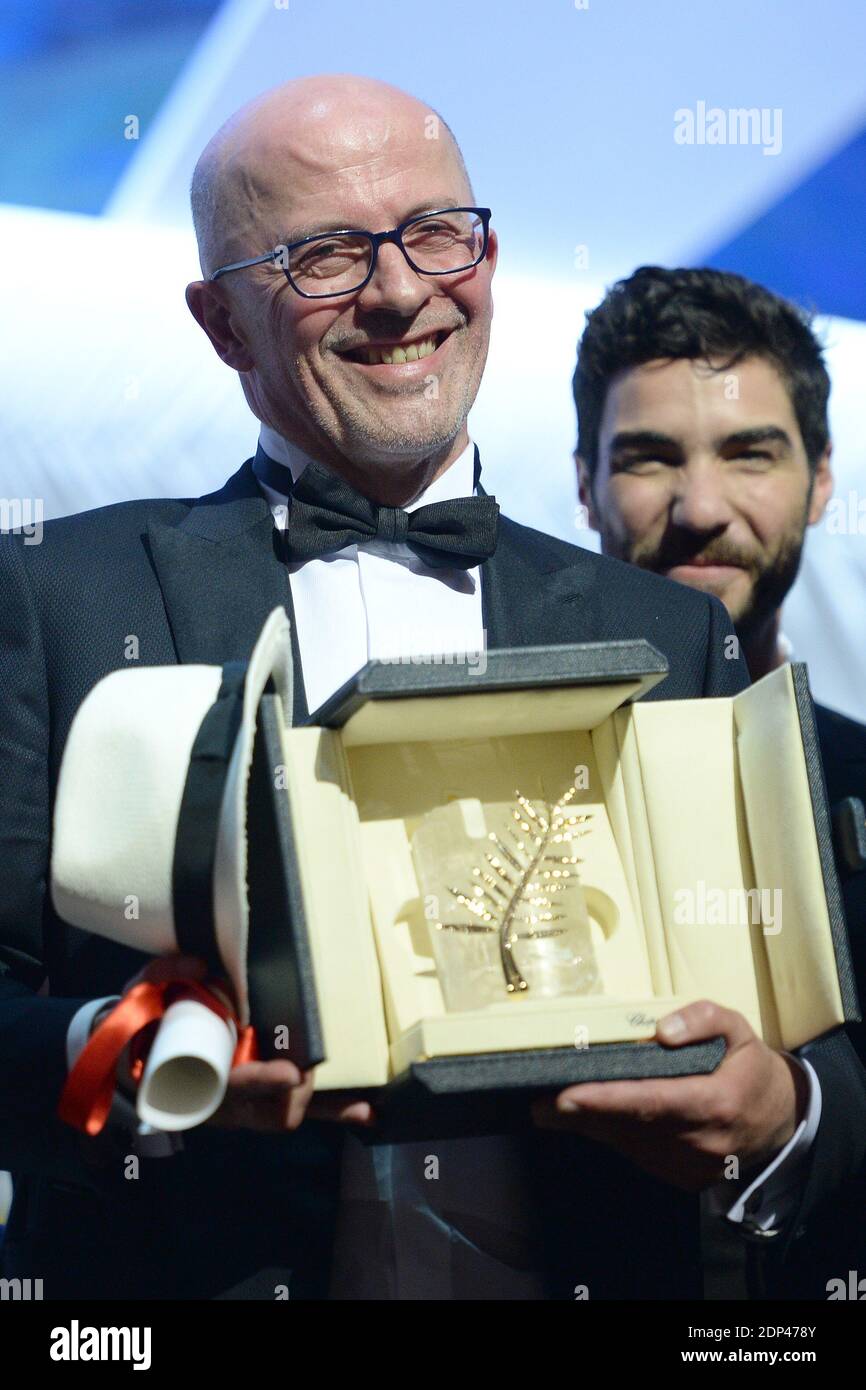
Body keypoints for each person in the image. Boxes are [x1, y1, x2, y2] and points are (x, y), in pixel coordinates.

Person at [0, 78, 863, 1302]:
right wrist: (120, 1053)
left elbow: (811, 1035)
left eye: (433, 233)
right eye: (325, 254)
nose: (401, 289)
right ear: (220, 321)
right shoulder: (58, 595)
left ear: (488, 256)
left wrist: (781, 1110)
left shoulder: (668, 633)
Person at [573, 263, 866, 1295]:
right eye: (648, 457)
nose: (698, 507)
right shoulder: (507, 774)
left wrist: (801, 1115)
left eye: (748, 453)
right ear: (583, 481)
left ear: (819, 477)